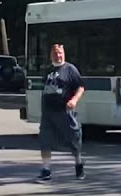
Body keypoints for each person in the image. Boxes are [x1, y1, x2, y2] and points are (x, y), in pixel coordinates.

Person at [37, 44, 86, 182]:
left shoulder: (70, 69)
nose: (58, 55)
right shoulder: (47, 71)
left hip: (64, 112)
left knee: (74, 140)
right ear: (50, 55)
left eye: (60, 53)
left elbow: (80, 87)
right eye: (55, 53)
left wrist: (74, 100)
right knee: (45, 141)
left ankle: (78, 164)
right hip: (48, 113)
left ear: (63, 54)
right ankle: (46, 170)